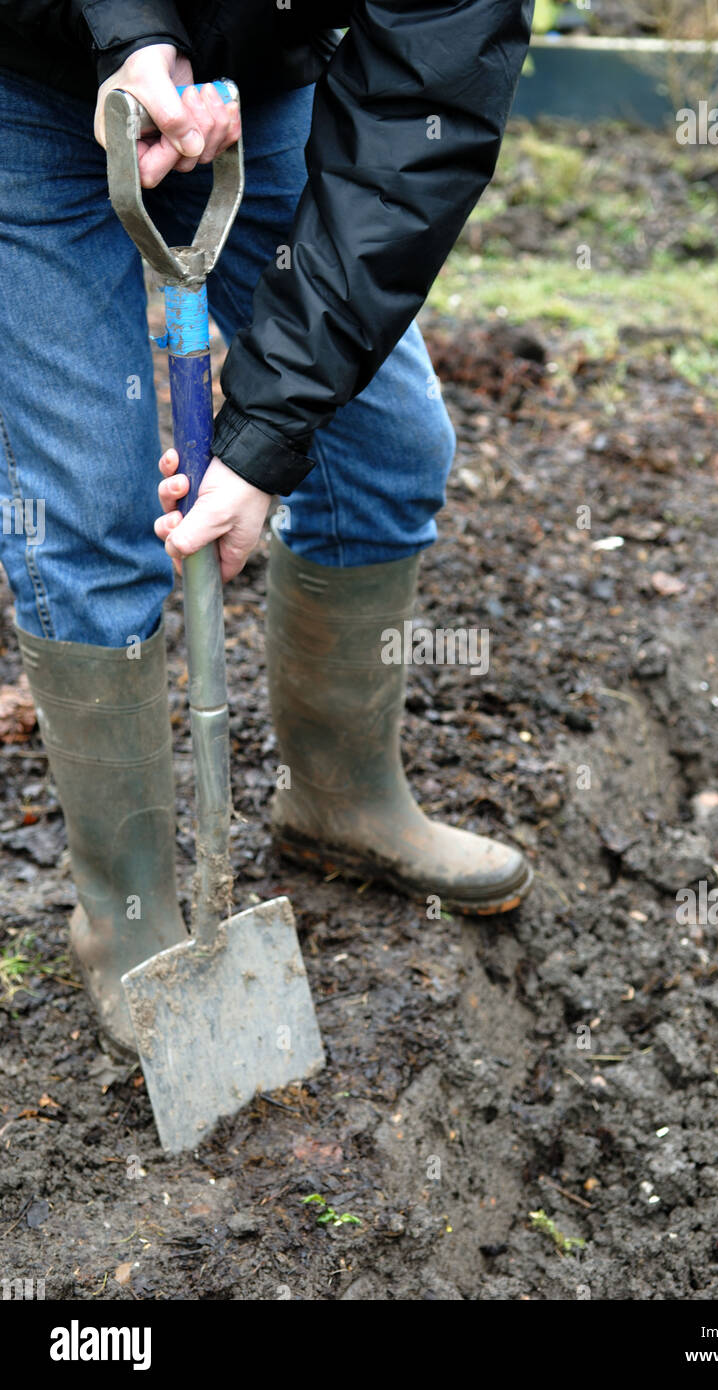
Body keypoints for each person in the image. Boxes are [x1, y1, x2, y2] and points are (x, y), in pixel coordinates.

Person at [0, 2, 534, 1057]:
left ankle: (342, 797)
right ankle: (135, 917)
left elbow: (420, 117)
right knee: (93, 507)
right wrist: (129, 31)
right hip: (25, 74)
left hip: (254, 91)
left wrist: (259, 444)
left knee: (386, 451)